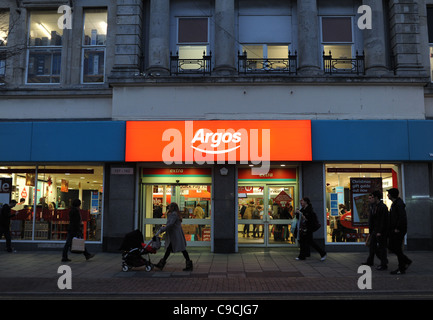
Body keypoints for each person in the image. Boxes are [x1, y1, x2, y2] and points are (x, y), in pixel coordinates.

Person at [155, 202, 193, 271]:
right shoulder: (175, 214)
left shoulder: (173, 215)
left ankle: (162, 263)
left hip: (175, 235)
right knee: (174, 249)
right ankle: (188, 263)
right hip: (176, 234)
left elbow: (170, 224)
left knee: (181, 249)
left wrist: (163, 229)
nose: (168, 208)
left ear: (172, 207)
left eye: (169, 207)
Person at [361, 191, 388, 270]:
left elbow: (383, 220)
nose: (370, 199)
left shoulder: (382, 207)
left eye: (372, 197)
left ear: (376, 198)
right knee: (372, 246)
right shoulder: (373, 206)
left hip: (379, 231)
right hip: (374, 230)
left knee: (381, 248)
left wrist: (380, 231)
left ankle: (384, 263)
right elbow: (372, 219)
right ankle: (370, 261)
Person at [387, 188, 412, 275]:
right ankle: (405, 262)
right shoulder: (395, 204)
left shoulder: (398, 204)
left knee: (396, 248)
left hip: (398, 230)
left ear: (392, 195)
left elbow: (402, 217)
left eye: (389, 194)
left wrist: (397, 228)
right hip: (395, 229)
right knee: (394, 247)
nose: (387, 195)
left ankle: (402, 267)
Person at [296, 197, 327, 261]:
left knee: (310, 242)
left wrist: (300, 213)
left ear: (306, 202)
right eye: (300, 201)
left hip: (308, 228)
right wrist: (297, 213)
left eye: (302, 201)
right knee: (303, 242)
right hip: (303, 228)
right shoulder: (303, 209)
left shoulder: (309, 209)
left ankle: (323, 253)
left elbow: (307, 218)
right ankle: (303, 256)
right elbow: (298, 217)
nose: (301, 203)